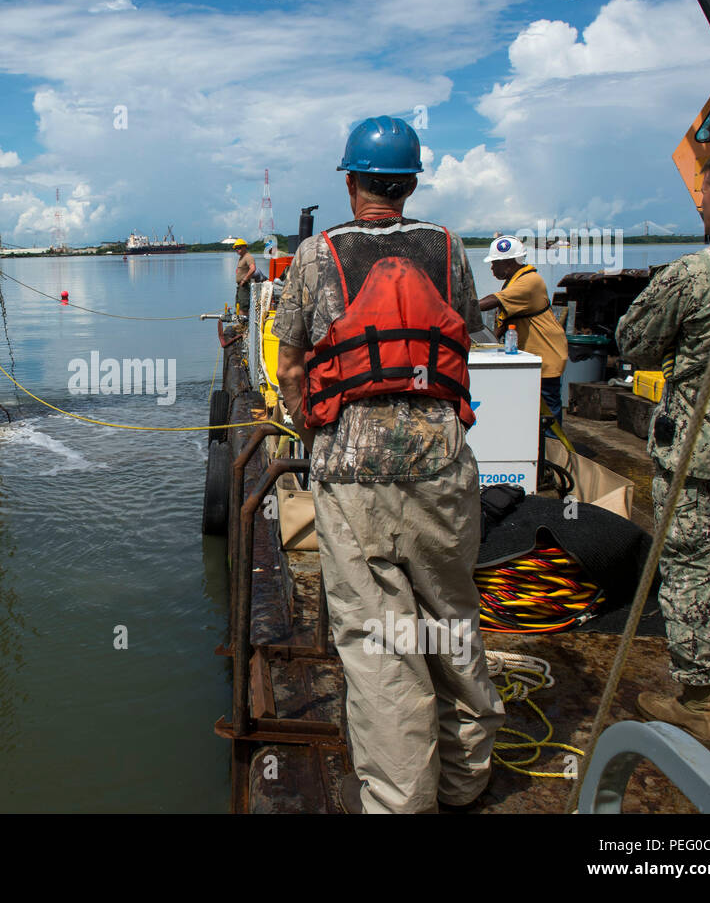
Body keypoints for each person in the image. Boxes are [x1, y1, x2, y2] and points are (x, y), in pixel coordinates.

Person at [274, 115, 505, 813]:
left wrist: (304, 425)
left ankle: (403, 800)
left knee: (380, 641)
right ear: (408, 184)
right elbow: (464, 329)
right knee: (450, 613)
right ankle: (468, 776)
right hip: (442, 461)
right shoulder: (447, 246)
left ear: (351, 182)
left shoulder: (317, 255)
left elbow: (288, 362)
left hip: (352, 467)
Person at [617, 143, 710, 750]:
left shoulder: (700, 272)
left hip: (700, 455)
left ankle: (699, 700)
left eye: (703, 196)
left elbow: (634, 345)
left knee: (692, 569)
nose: (701, 206)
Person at [477, 236, 569, 426]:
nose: (492, 268)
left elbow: (492, 301)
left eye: (495, 263)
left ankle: (554, 452)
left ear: (509, 263)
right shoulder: (514, 281)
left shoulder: (530, 282)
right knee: (530, 411)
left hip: (546, 356)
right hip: (531, 356)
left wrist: (457, 307)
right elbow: (505, 319)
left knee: (548, 414)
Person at [233, 238, 255, 315]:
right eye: (236, 248)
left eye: (239, 248)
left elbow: (253, 269)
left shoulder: (248, 257)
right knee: (238, 305)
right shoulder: (241, 258)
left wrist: (244, 280)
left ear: (244, 247)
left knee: (243, 306)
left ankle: (244, 325)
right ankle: (240, 324)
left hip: (245, 285)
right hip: (240, 285)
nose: (237, 250)